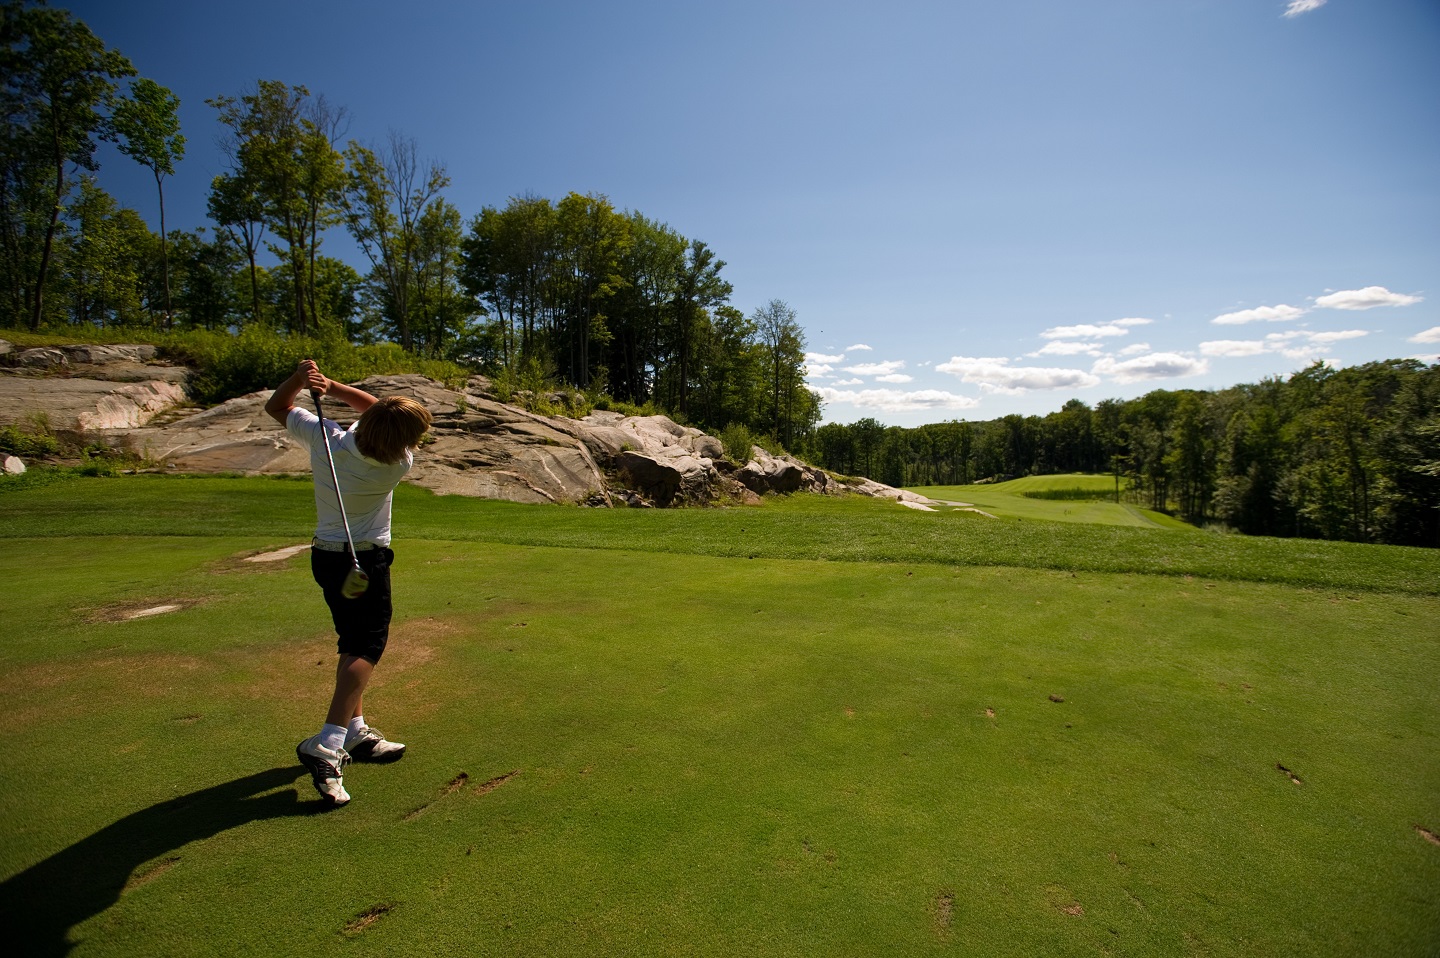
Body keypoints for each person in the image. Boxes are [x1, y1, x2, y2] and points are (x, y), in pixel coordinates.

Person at [264, 360, 433, 806]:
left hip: (327, 556)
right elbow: (378, 409)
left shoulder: (327, 439)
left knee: (351, 641)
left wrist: (303, 381)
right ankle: (329, 742)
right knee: (367, 646)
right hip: (366, 561)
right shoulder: (400, 461)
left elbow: (276, 407)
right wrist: (334, 386)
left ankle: (355, 731)